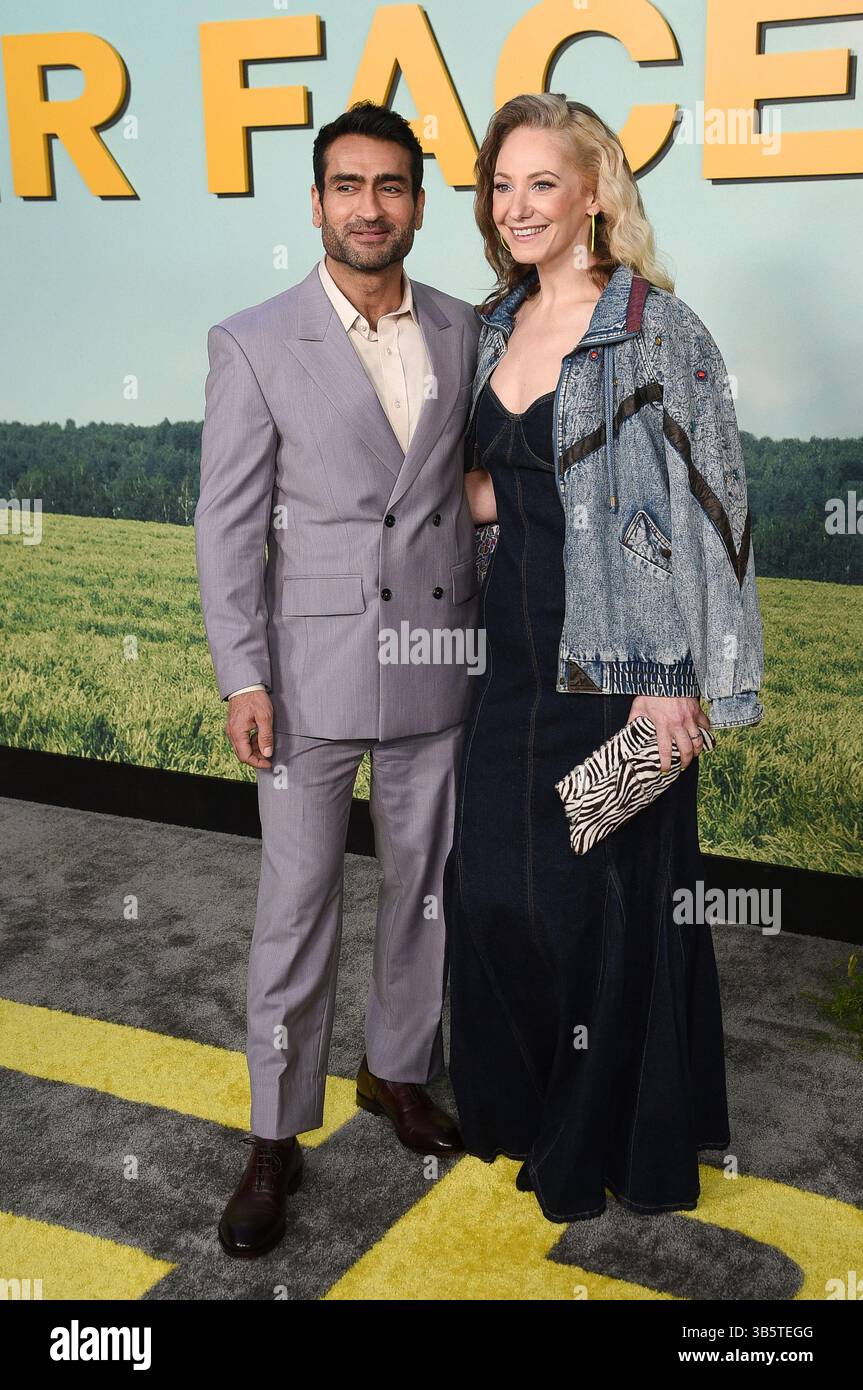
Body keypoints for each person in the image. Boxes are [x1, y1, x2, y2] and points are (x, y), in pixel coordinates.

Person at [442, 95, 765, 1222]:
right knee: (491, 892)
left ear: (593, 192)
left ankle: (601, 1137)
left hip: (623, 668)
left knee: (603, 909)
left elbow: (716, 508)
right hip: (507, 664)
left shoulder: (660, 331)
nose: (516, 205)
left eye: (541, 182)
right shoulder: (490, 325)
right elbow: (500, 482)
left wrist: (683, 678)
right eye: (500, 185)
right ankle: (521, 1106)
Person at [195, 101, 482, 1258]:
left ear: (417, 203)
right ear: (315, 203)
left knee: (425, 887)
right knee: (296, 903)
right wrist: (240, 674)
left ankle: (396, 1071)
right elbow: (226, 526)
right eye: (348, 186)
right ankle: (274, 1134)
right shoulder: (252, 340)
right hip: (305, 675)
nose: (371, 206)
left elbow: (465, 491)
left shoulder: (466, 330)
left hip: (438, 661)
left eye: (393, 186)